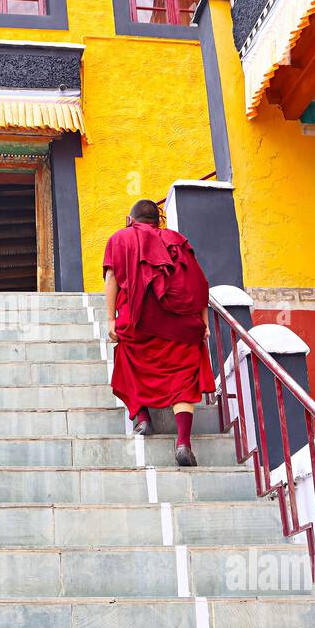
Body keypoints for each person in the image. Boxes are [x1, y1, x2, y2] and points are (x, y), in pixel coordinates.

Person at [103, 199, 216, 466]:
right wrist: (204, 323)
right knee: (184, 381)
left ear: (130, 220)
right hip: (180, 324)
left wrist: (110, 320)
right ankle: (183, 442)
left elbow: (112, 279)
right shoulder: (177, 240)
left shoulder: (120, 239)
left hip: (138, 321)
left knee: (127, 356)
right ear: (158, 220)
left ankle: (142, 418)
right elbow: (198, 283)